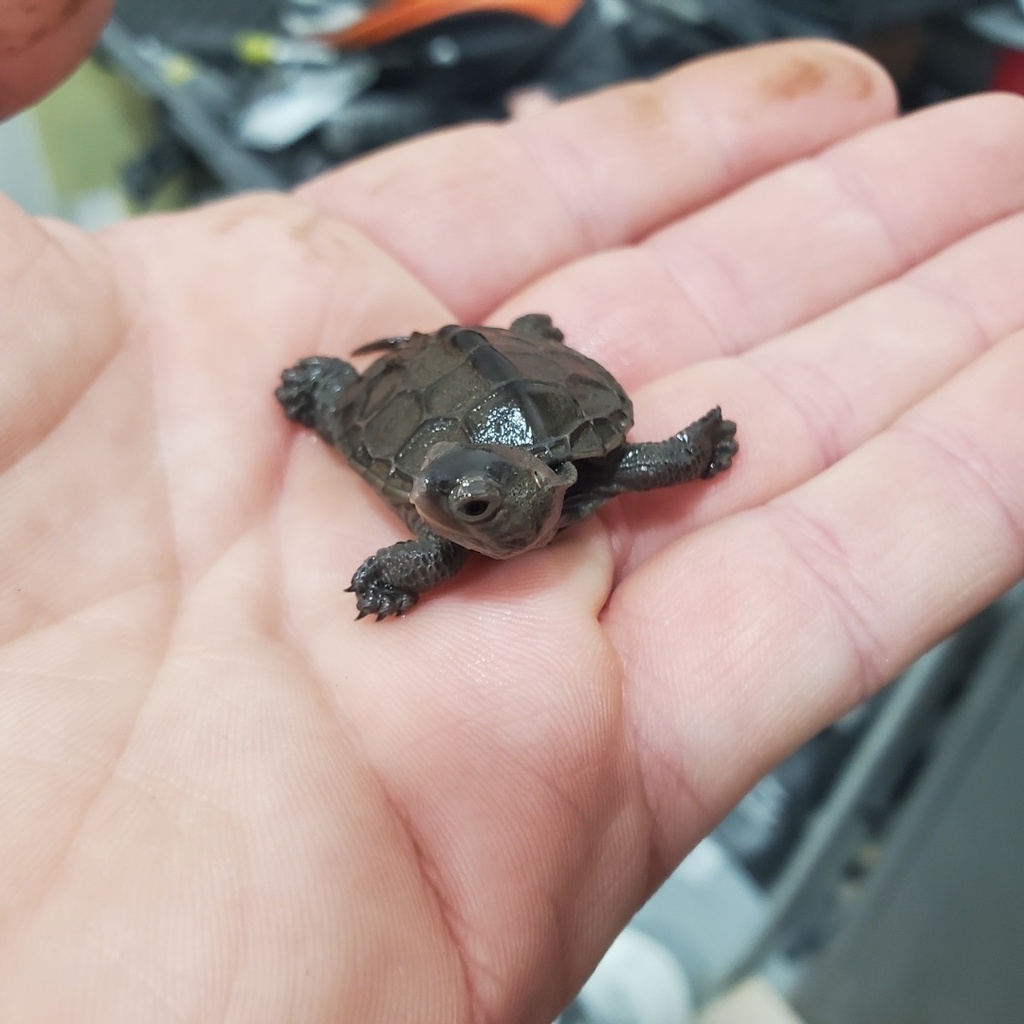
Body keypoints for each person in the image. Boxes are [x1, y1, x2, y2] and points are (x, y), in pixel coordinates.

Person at [2, 4, 1023, 1021]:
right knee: (322, 397)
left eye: (470, 503)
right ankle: (370, 384)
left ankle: (509, 342)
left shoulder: (586, 476)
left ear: (528, 493)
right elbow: (427, 532)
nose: (442, 515)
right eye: (444, 507)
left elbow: (646, 460)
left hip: (520, 391)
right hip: (415, 389)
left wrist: (695, 450)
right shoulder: (438, 531)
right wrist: (378, 527)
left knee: (555, 413)